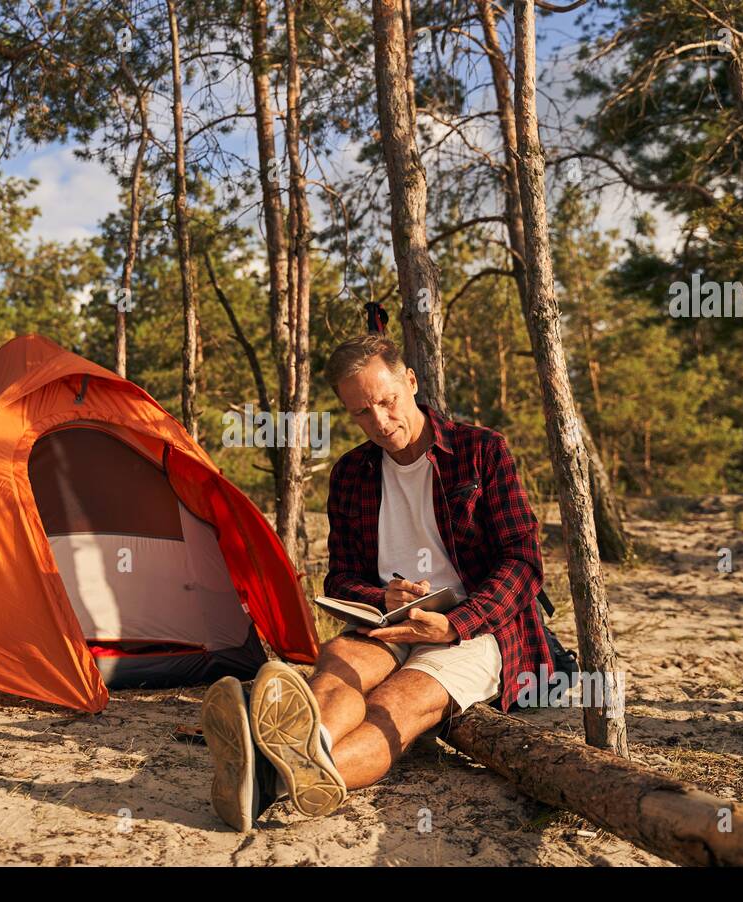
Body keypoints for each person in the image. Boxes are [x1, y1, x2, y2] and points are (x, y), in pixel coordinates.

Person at [201, 331, 554, 831]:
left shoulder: (481, 451)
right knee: (338, 665)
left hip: (476, 629)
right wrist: (380, 595)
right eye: (362, 413)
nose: (380, 423)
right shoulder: (351, 473)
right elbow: (342, 576)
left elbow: (523, 562)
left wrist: (454, 625)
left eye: (387, 402)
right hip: (389, 622)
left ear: (410, 381)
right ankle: (291, 756)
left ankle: (264, 780)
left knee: (394, 703)